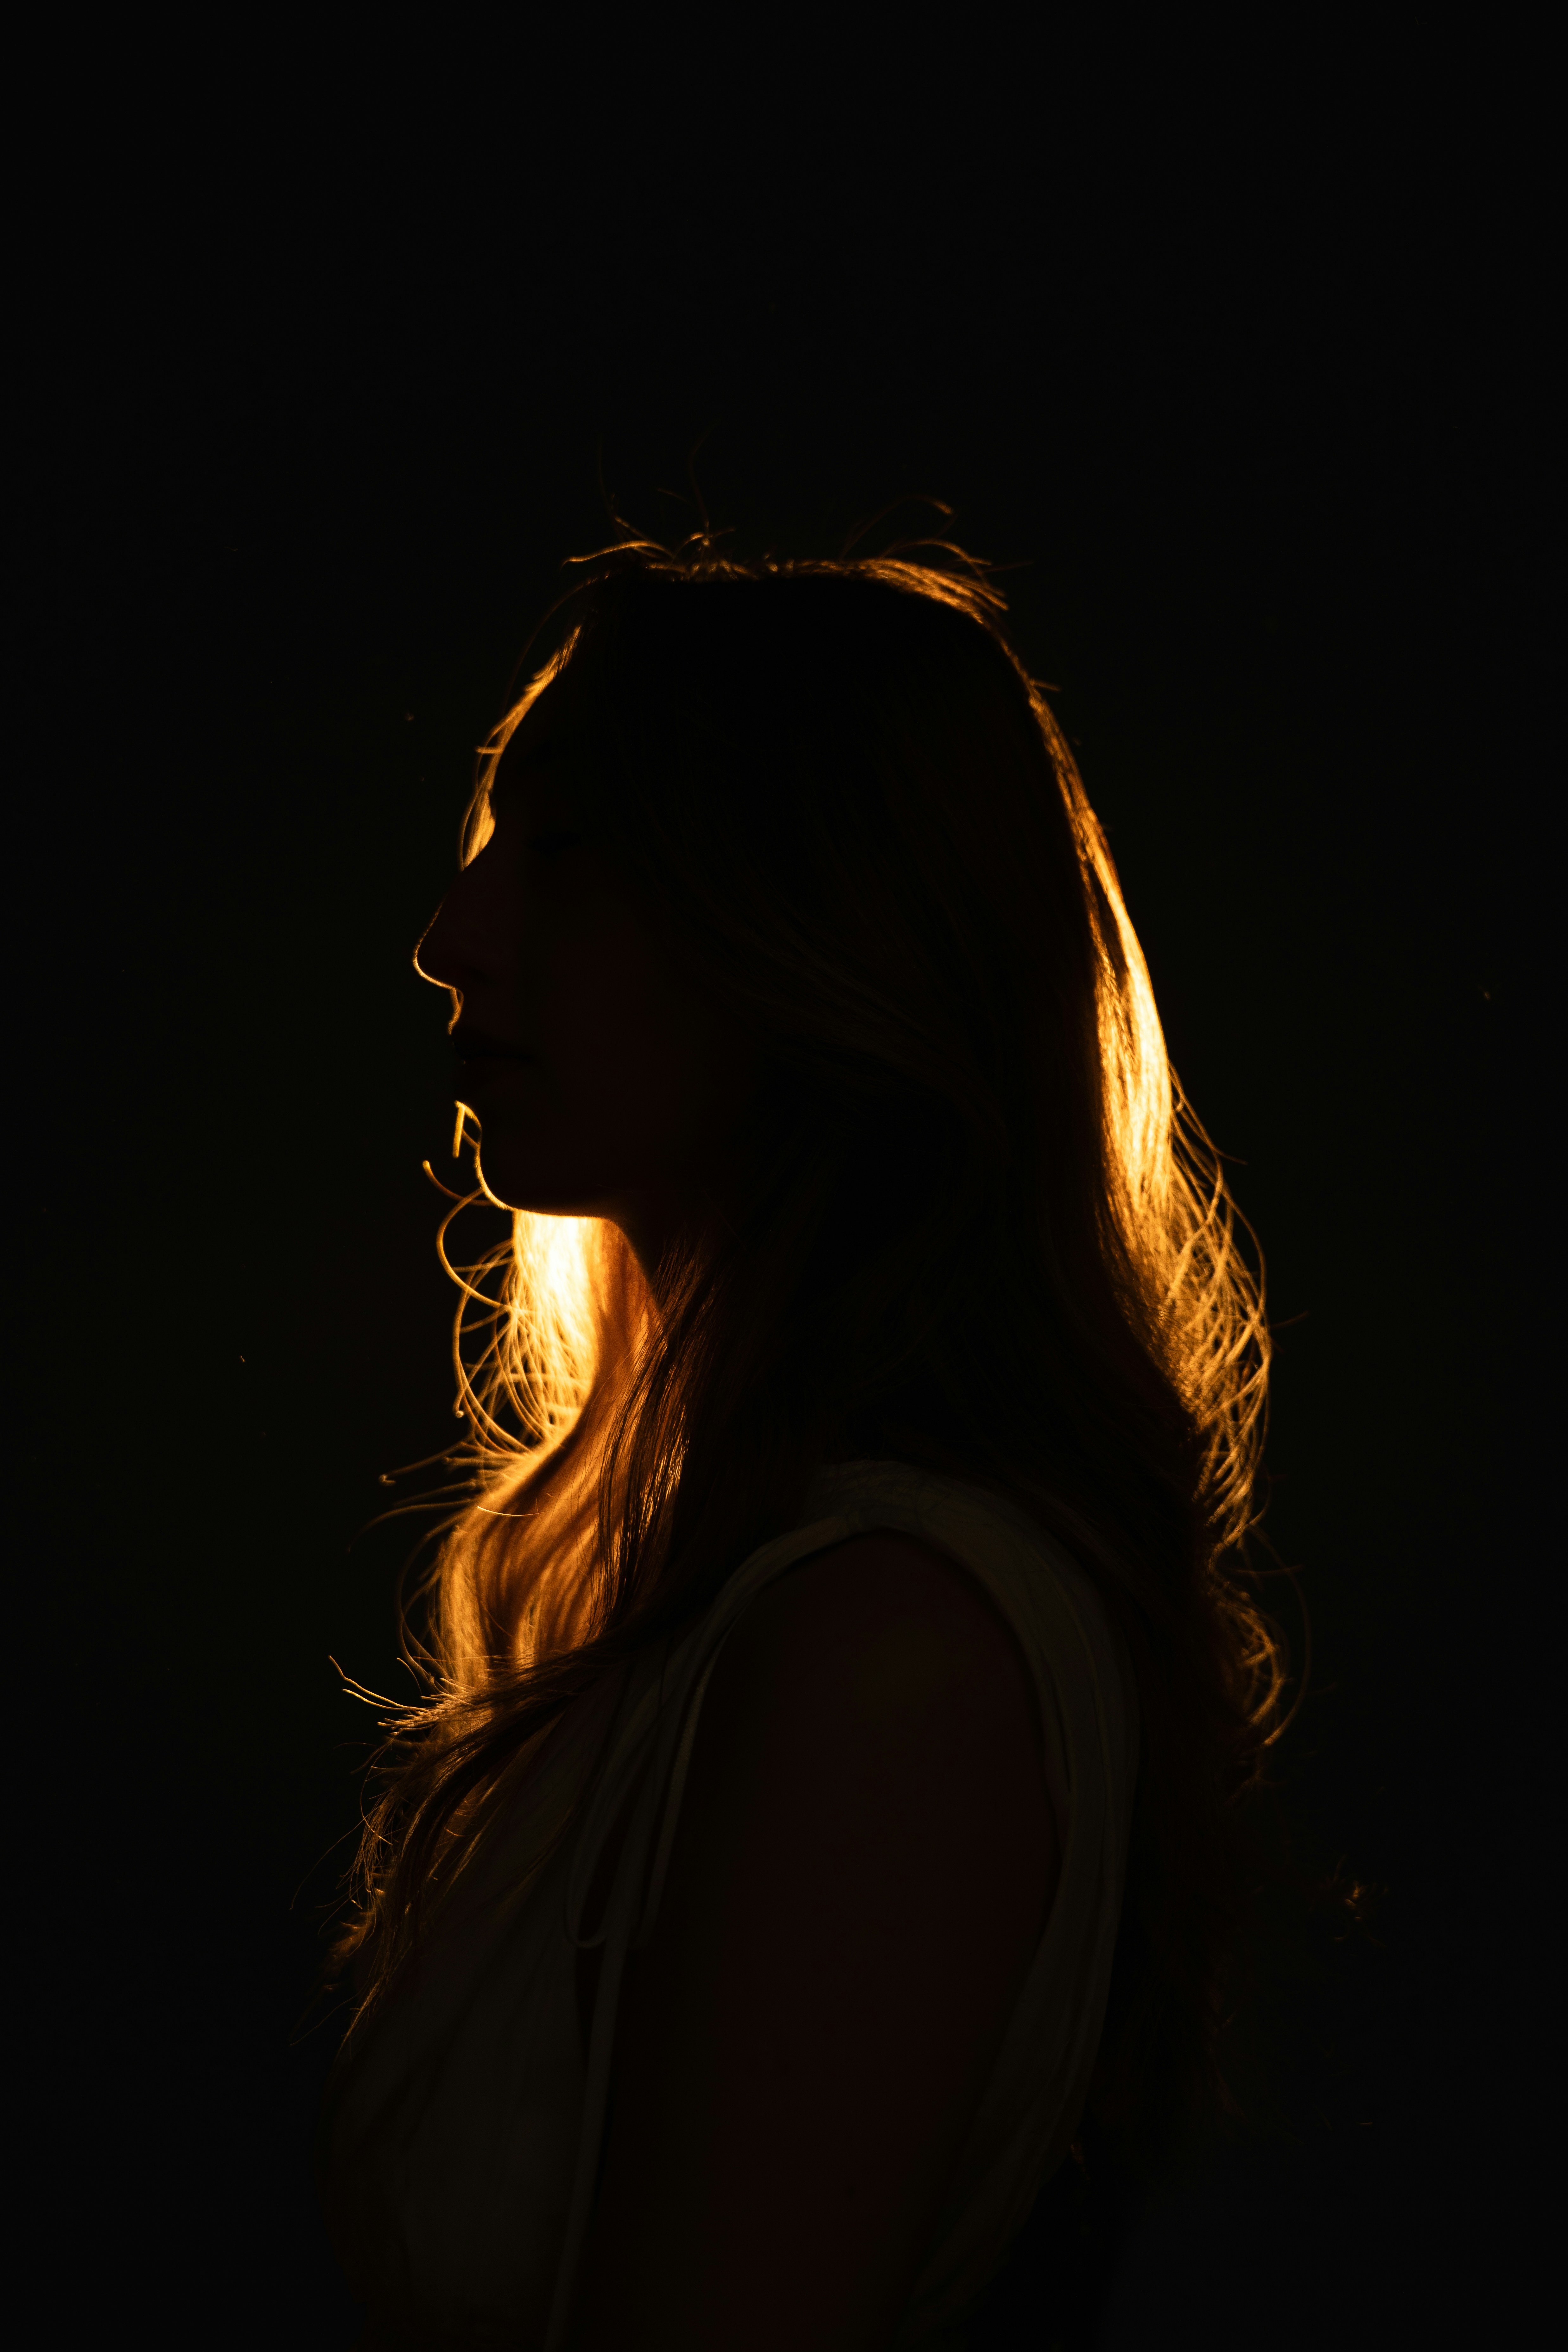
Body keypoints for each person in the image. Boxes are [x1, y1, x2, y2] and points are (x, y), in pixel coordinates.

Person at [315, 523, 1283, 2350]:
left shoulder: (886, 1651)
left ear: (822, 934)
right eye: (496, 843)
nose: (453, 941)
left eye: (573, 857)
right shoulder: (782, 1606)